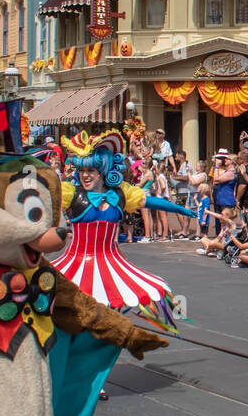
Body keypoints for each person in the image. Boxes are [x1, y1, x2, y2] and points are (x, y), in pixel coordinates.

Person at [52, 129, 192, 397]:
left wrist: (181, 209)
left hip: (112, 266)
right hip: (76, 266)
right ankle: (69, 367)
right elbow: (40, 193)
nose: (86, 175)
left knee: (106, 323)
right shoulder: (70, 193)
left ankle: (90, 373)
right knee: (78, 322)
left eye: (92, 170)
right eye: (83, 171)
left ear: (103, 171)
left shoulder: (119, 195)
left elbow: (151, 200)